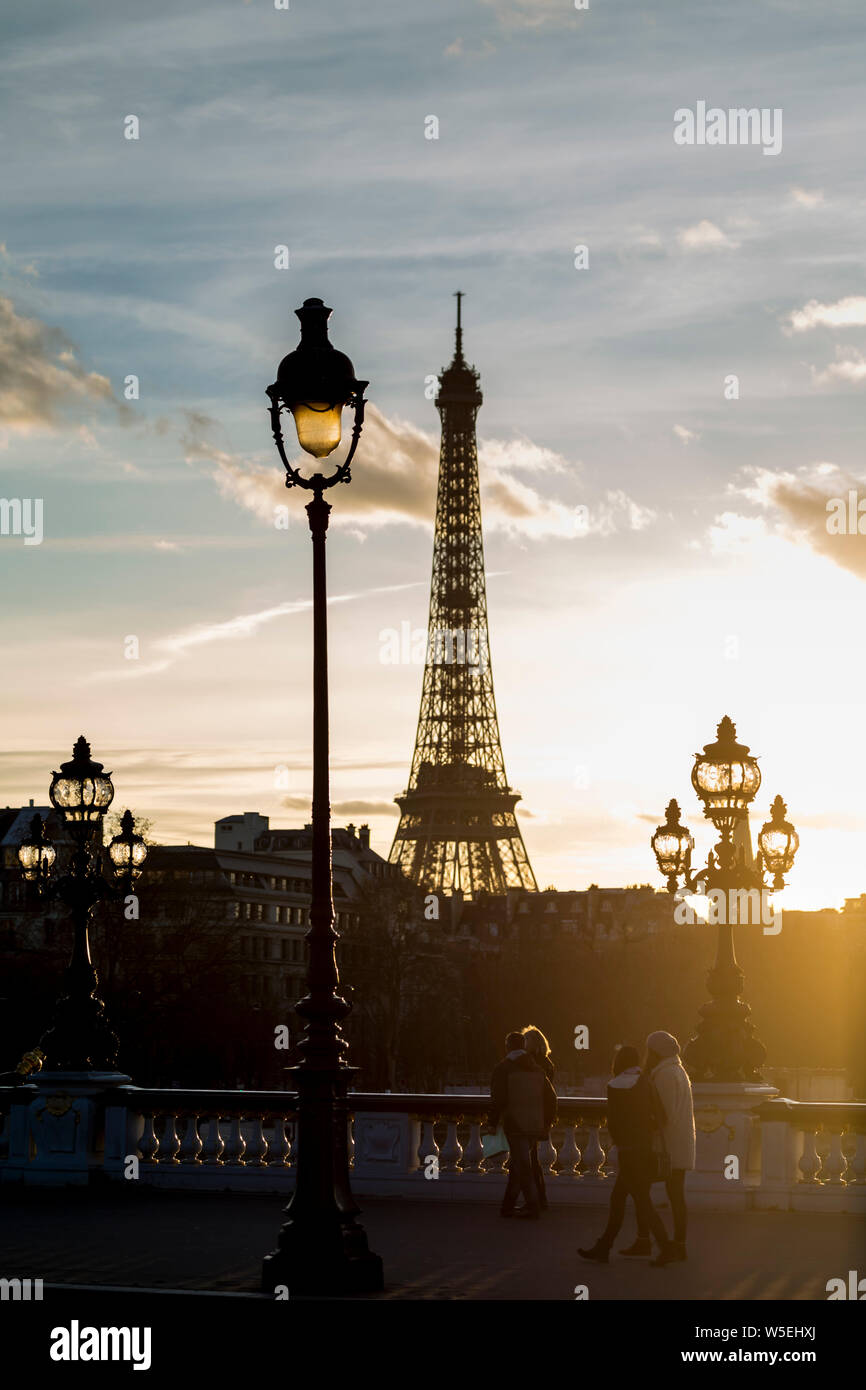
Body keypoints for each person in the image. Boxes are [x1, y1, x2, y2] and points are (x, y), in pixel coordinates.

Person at [578, 1044, 672, 1263]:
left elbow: (613, 1123)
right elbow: (662, 1118)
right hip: (644, 1149)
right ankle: (605, 1247)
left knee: (636, 1200)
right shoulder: (645, 1083)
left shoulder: (614, 1086)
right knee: (629, 1198)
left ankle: (663, 1247)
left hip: (627, 1152)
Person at [489, 1031, 557, 1219]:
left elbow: (498, 1099)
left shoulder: (503, 1068)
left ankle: (533, 1206)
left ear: (508, 1046)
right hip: (534, 1123)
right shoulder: (536, 1069)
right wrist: (546, 1123)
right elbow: (552, 1099)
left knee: (522, 1167)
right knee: (519, 1164)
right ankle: (508, 1206)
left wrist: (492, 1123)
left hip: (515, 1123)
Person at [645, 1030, 695, 1266]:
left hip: (667, 1146)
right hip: (680, 1144)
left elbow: (663, 1115)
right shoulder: (678, 1071)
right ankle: (679, 1245)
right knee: (677, 1196)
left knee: (642, 1191)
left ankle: (655, 1242)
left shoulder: (664, 1075)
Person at [522, 1025, 555, 1210]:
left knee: (528, 1160)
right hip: (539, 1115)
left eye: (527, 1040)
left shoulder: (532, 1063)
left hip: (530, 1115)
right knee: (531, 1159)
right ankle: (539, 1198)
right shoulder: (547, 1063)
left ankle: (535, 1200)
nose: (524, 1043)